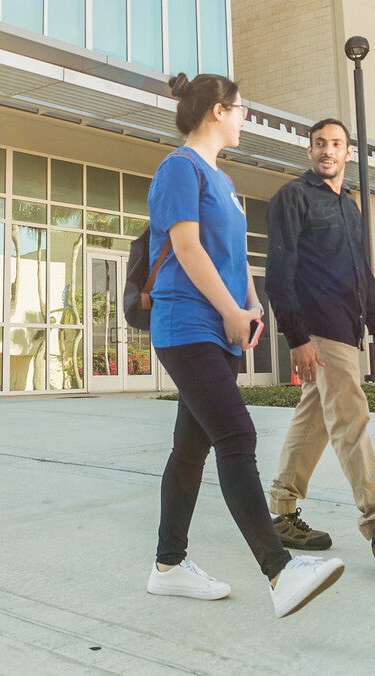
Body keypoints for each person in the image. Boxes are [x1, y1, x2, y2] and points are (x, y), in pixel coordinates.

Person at [144, 72, 345, 618]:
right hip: (186, 326)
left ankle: (168, 567)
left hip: (222, 328)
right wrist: (229, 310)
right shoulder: (179, 168)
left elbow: (232, 256)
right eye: (239, 109)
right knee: (237, 434)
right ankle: (280, 571)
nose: (243, 118)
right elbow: (186, 247)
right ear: (216, 111)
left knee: (191, 449)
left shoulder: (224, 182)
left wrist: (251, 305)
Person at [263, 118, 375, 575]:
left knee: (315, 419)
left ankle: (281, 511)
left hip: (348, 328)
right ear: (309, 150)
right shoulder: (292, 197)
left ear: (348, 153)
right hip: (319, 329)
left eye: (336, 144)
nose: (327, 151)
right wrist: (296, 337)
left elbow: (363, 275)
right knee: (351, 419)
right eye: (320, 143)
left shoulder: (350, 208)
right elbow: (279, 274)